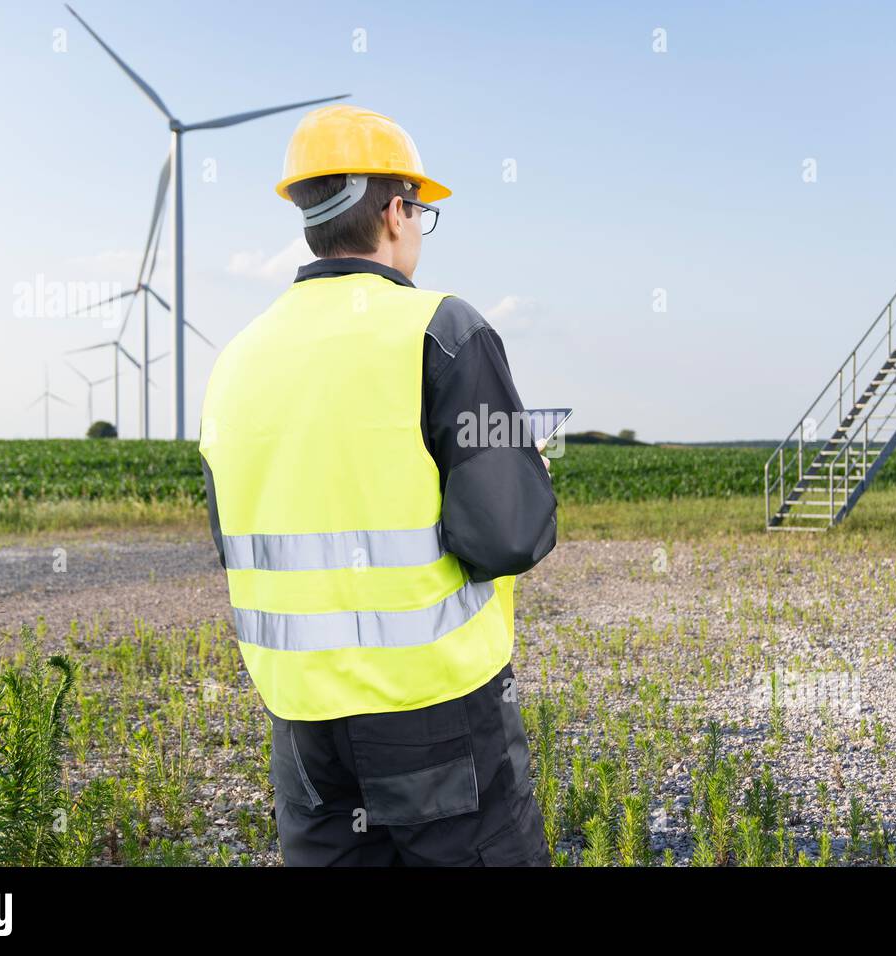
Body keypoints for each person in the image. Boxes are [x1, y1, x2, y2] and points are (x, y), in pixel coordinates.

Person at [198, 105, 557, 865]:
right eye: (420, 210)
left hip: (301, 726)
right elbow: (506, 534)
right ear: (395, 212)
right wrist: (532, 473)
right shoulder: (441, 329)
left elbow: (236, 534)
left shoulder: (236, 360)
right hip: (437, 713)